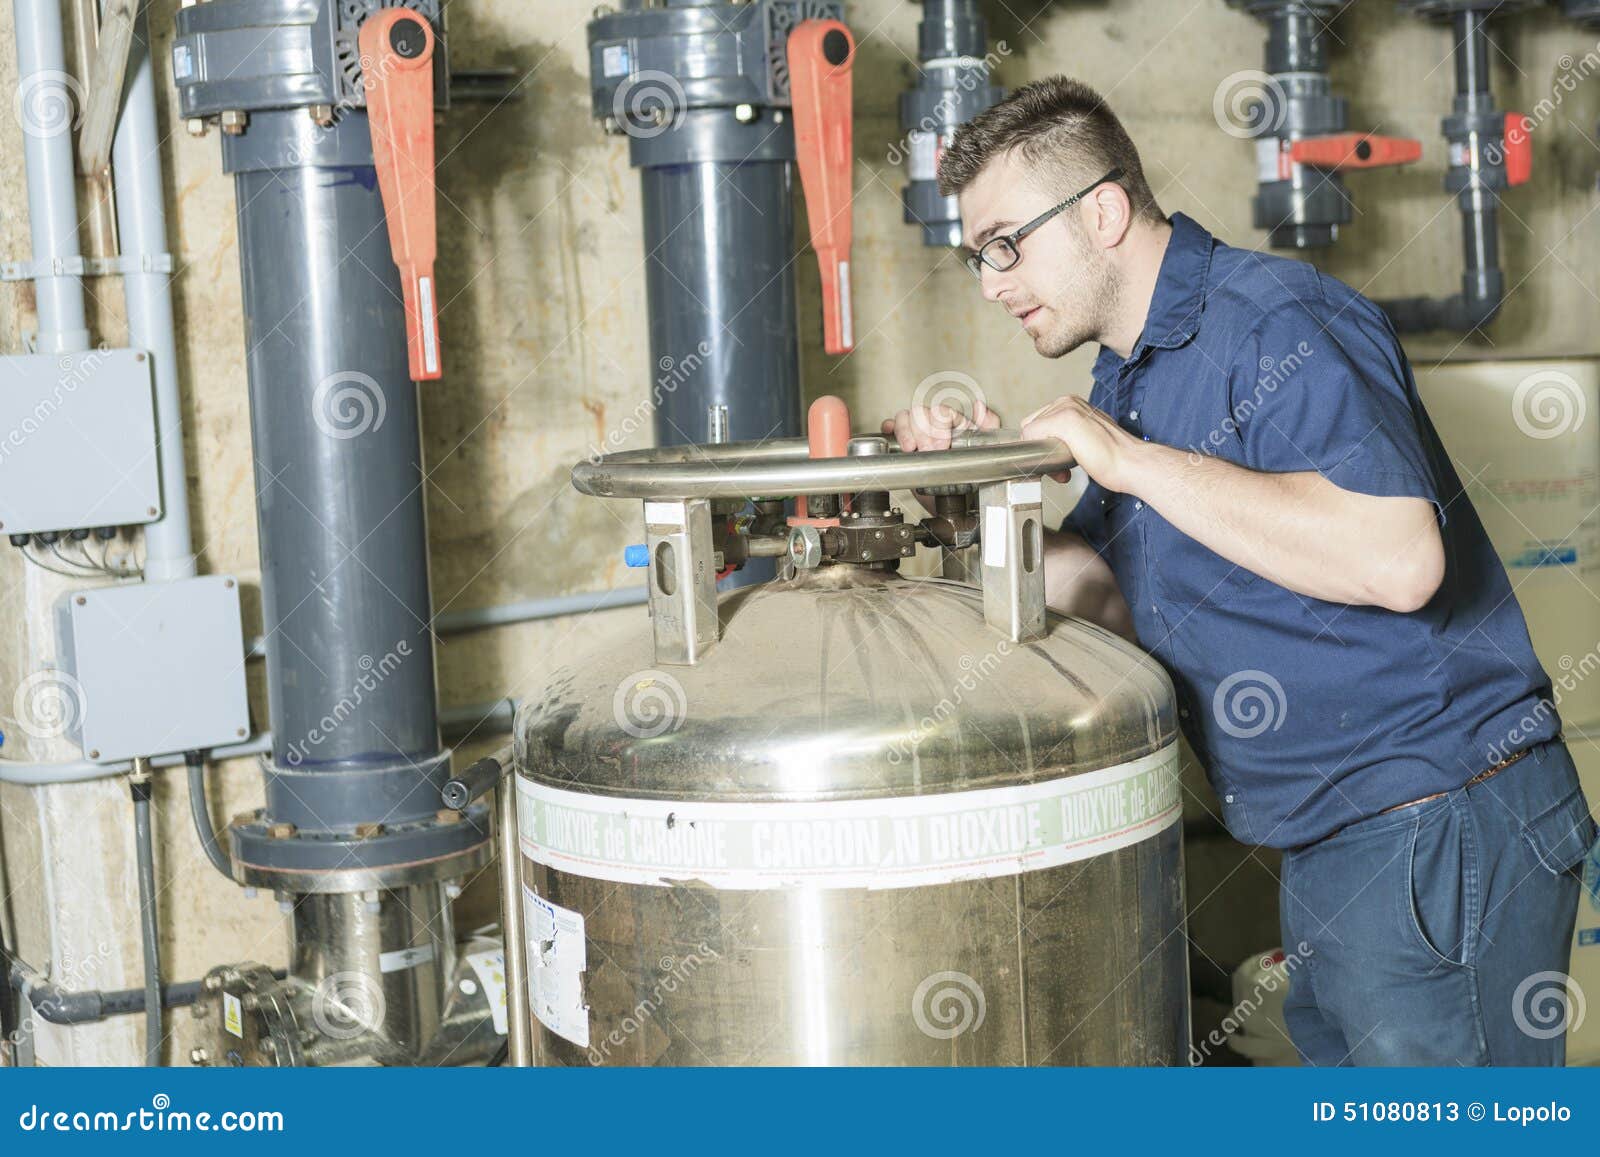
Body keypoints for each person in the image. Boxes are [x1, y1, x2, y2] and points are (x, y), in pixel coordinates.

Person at [886, 75, 1597, 1065]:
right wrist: (970, 511)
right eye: (976, 256)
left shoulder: (1275, 321)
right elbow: (1103, 597)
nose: (991, 281)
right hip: (1334, 840)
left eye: (1005, 243)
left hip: (1437, 821)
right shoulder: (1132, 374)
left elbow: (1397, 557)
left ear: (1101, 209)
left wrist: (1128, 460)